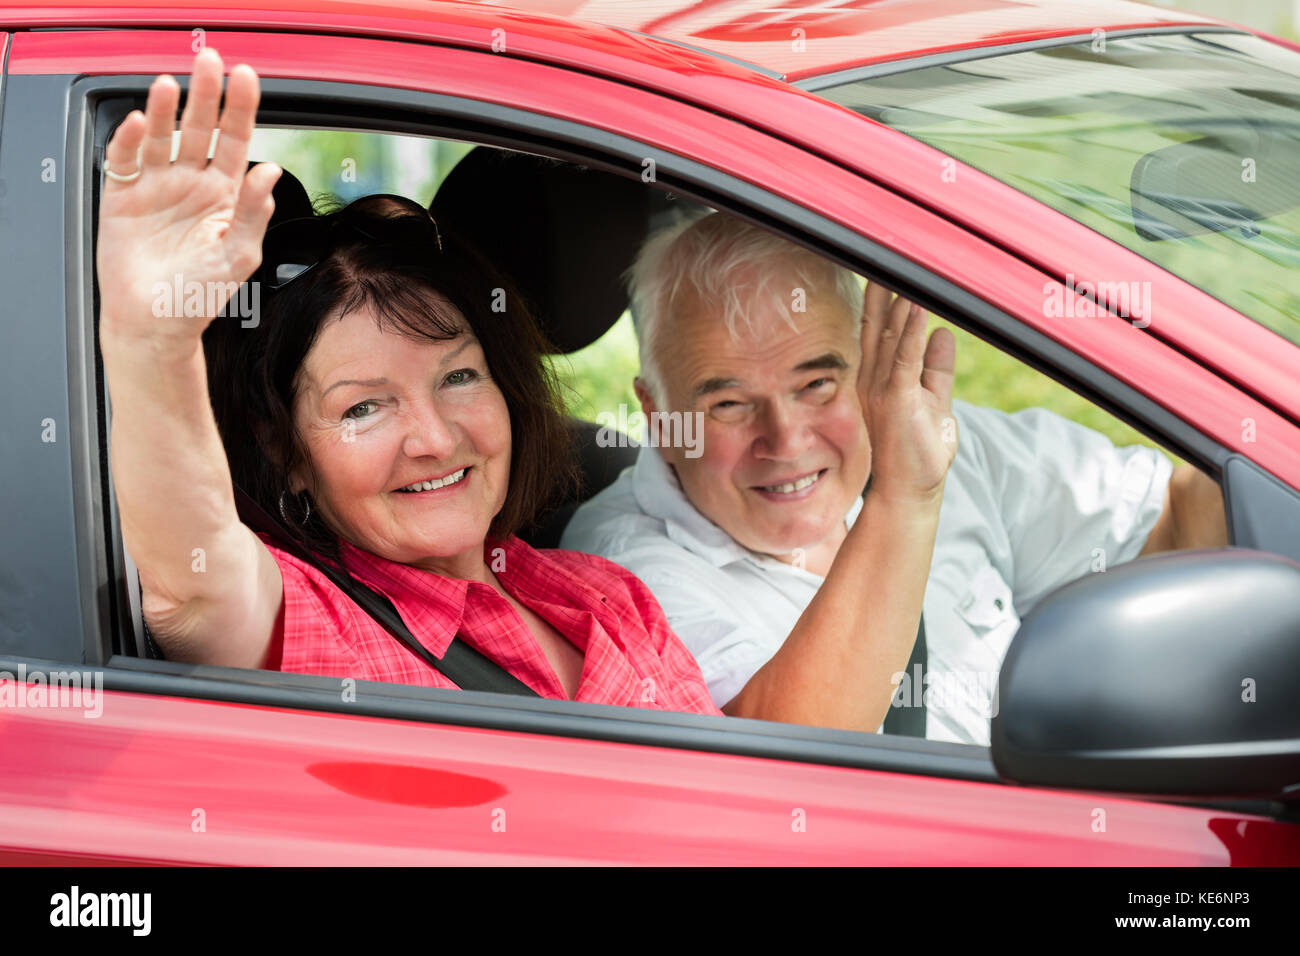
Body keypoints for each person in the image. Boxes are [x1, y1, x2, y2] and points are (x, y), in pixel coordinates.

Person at [97, 49, 959, 730]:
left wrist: (908, 485)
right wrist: (149, 338)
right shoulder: (320, 626)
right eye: (363, 407)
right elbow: (192, 583)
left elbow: (758, 797)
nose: (435, 436)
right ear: (288, 455)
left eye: (459, 377)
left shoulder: (601, 596)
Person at [562, 211, 1229, 744]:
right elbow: (781, 761)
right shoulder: (621, 570)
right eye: (729, 404)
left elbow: (1174, 519)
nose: (788, 440)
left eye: (818, 384)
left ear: (868, 367)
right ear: (657, 414)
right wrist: (907, 500)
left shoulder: (925, 440)